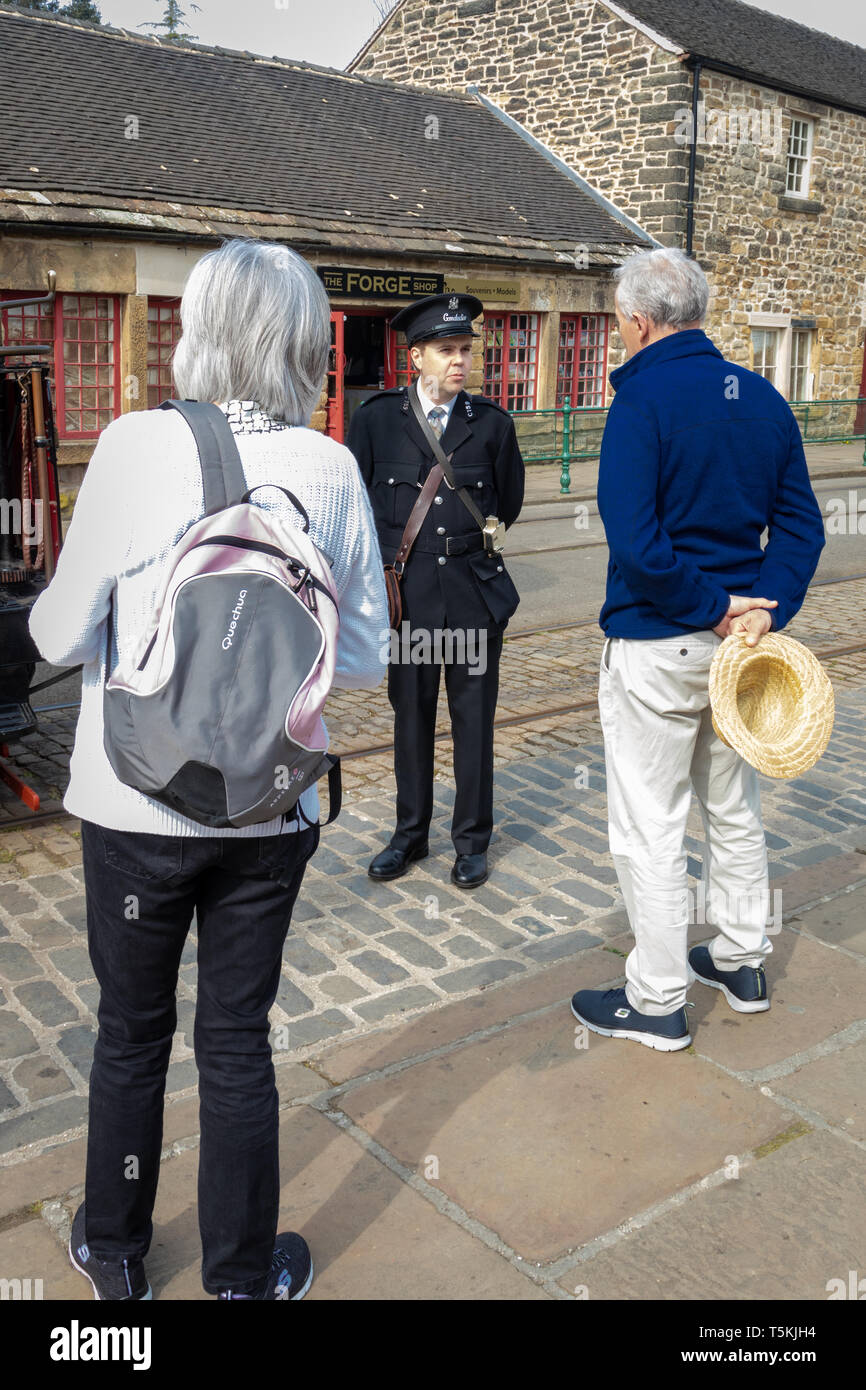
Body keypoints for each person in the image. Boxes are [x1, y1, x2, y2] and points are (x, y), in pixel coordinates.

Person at [28, 237, 388, 1299]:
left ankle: (118, 1250)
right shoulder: (330, 466)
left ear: (200, 330)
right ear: (306, 344)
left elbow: (54, 635)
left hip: (135, 804)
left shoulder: (137, 446)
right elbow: (360, 655)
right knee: (237, 1039)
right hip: (269, 809)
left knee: (131, 1034)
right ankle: (238, 1274)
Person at [571, 246, 825, 1051]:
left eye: (619, 324)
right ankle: (744, 961)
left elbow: (638, 544)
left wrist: (716, 610)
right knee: (732, 808)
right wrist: (763, 611)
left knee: (650, 826)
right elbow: (802, 526)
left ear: (639, 322)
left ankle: (656, 1000)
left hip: (658, 641)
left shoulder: (640, 403)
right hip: (736, 650)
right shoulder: (761, 398)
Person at [346, 293, 525, 889]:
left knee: (473, 721)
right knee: (412, 719)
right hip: (410, 600)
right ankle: (409, 835)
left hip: (471, 599)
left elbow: (510, 504)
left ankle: (472, 841)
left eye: (465, 350)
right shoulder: (376, 420)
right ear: (416, 355)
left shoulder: (493, 426)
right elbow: (365, 506)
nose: (459, 361)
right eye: (446, 350)